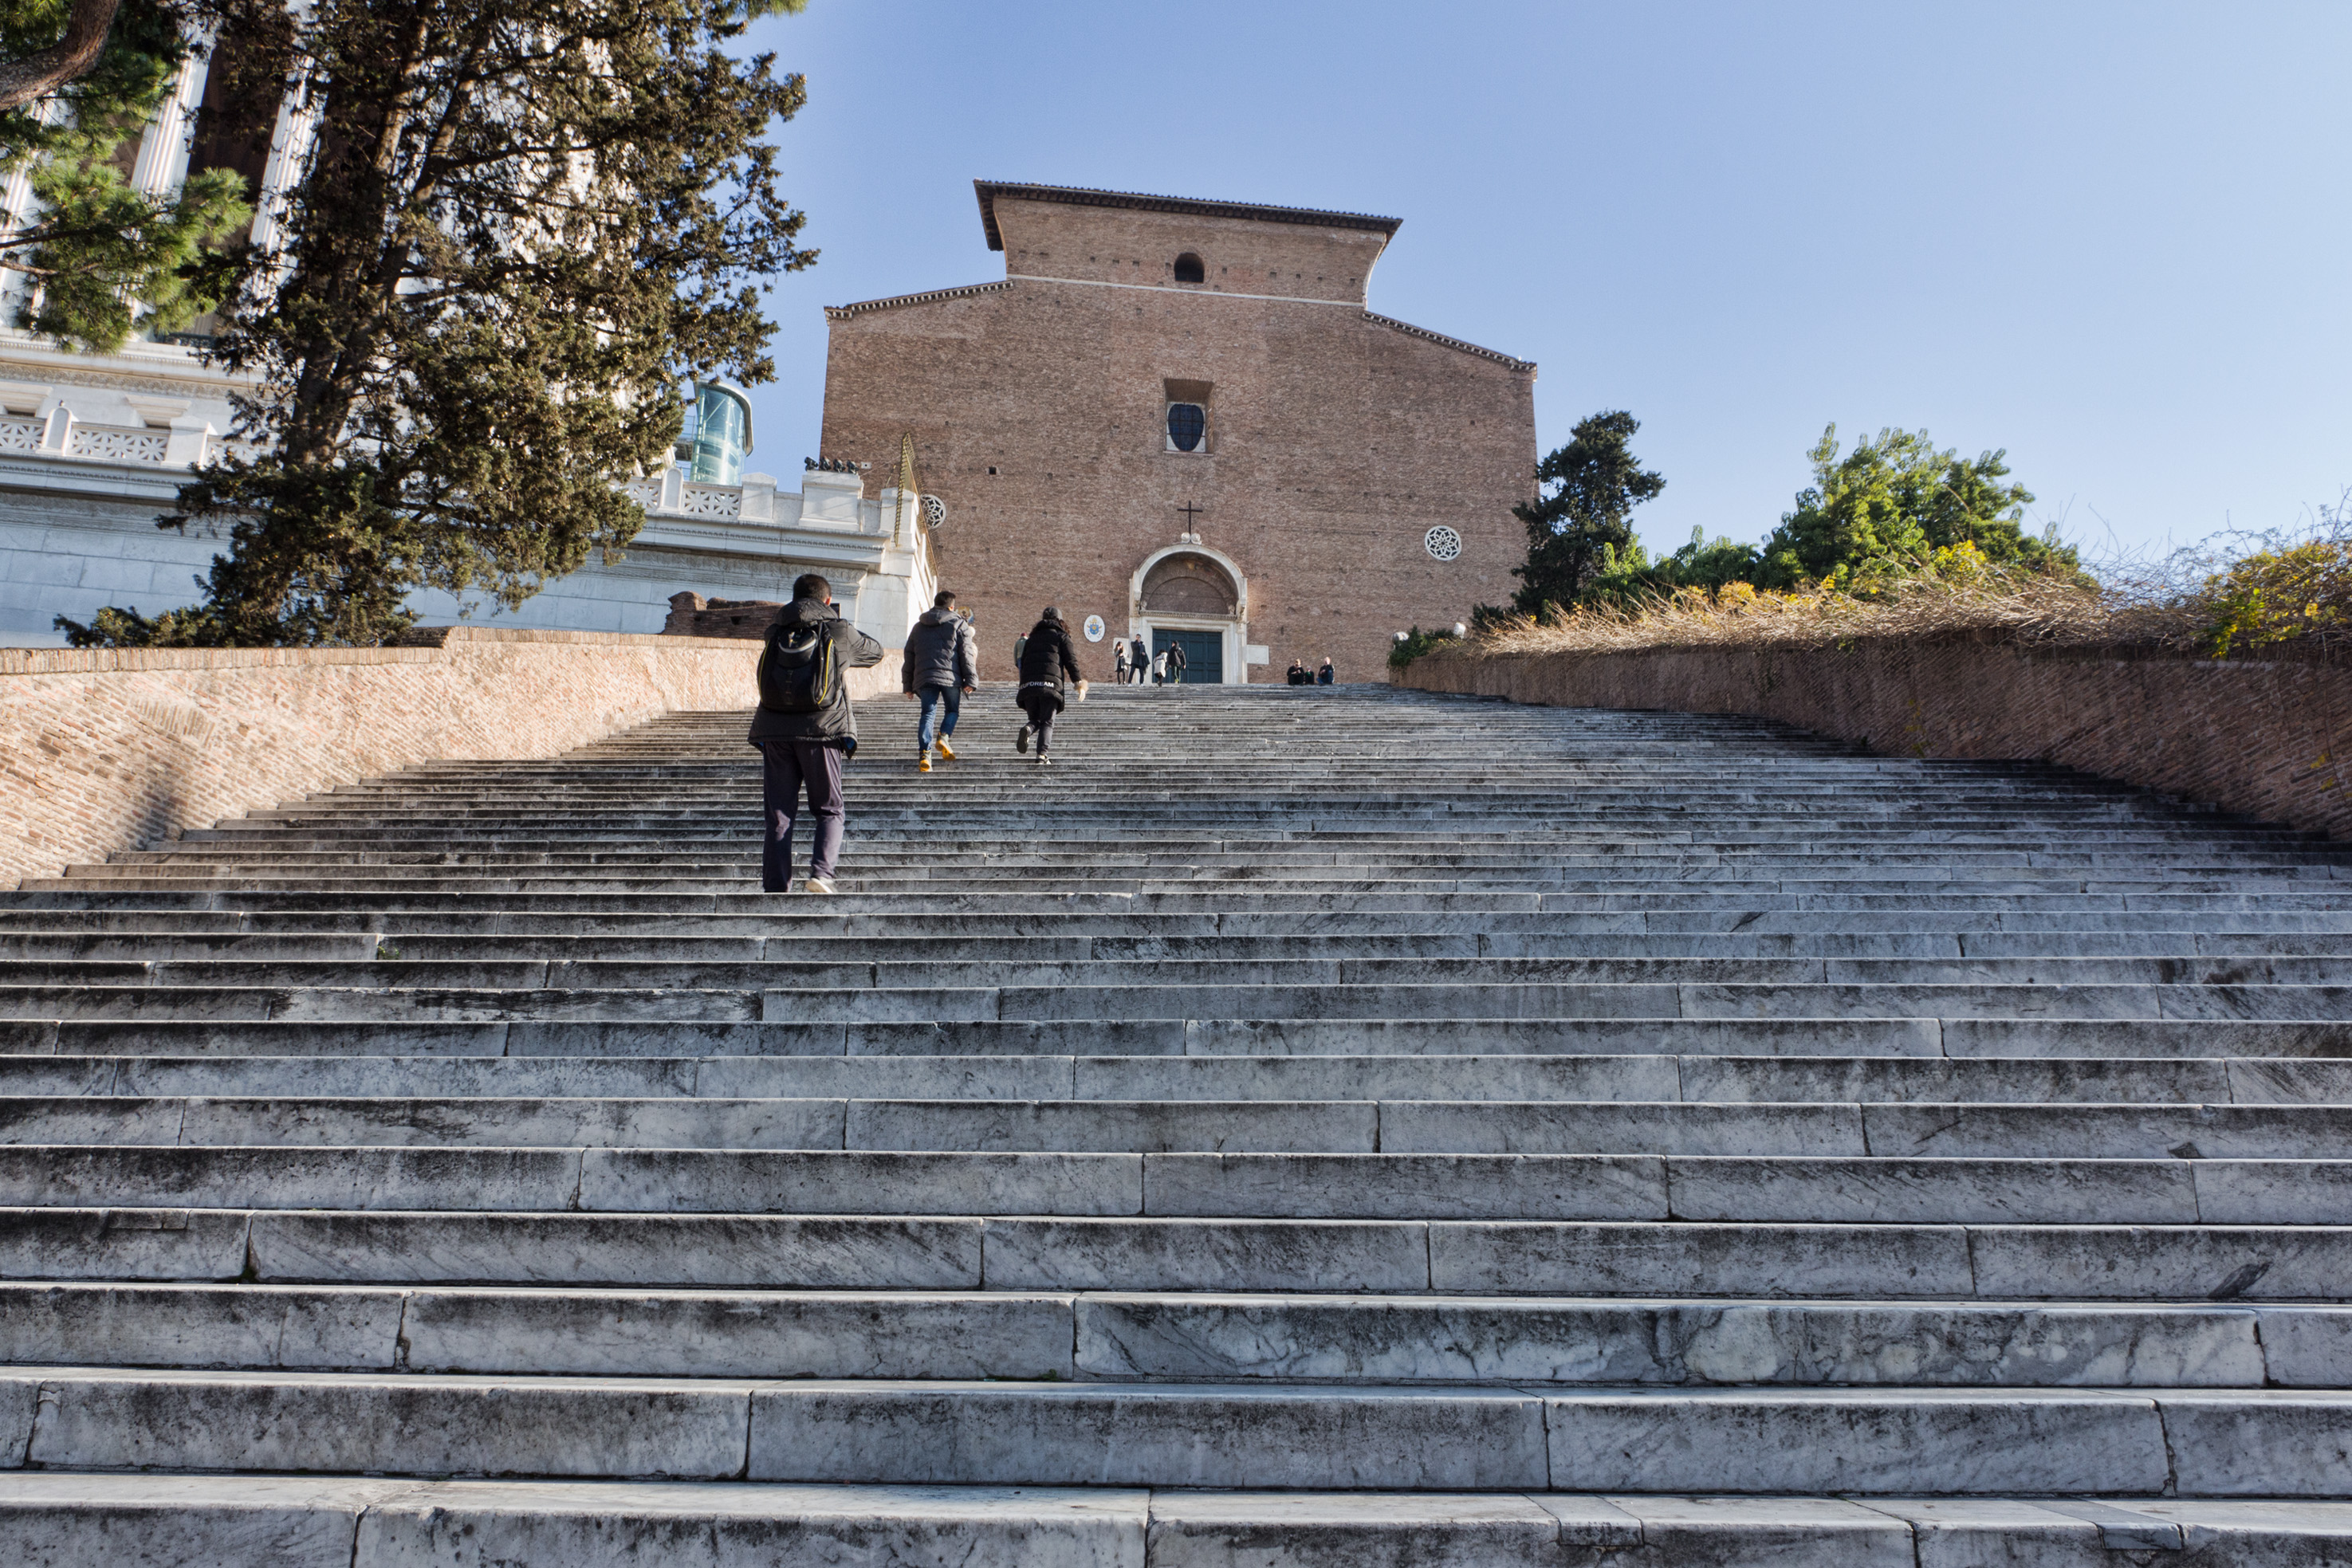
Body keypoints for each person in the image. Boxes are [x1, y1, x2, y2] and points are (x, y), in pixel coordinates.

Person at [748, 573, 884, 894]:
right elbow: (876, 652)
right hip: (821, 730)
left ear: (793, 598)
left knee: (779, 815)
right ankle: (822, 875)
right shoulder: (838, 631)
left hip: (775, 731)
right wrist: (841, 625)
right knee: (829, 808)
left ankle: (775, 887)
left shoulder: (775, 630)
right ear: (827, 600)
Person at [902, 588, 978, 773]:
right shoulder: (959, 624)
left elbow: (909, 655)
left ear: (935, 604)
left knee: (928, 713)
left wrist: (907, 684)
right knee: (952, 710)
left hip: (924, 677)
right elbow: (966, 654)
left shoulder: (919, 626)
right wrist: (971, 679)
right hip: (951, 678)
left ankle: (925, 755)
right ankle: (944, 736)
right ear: (952, 607)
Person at [1015, 606, 1086, 764]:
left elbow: (1022, 663)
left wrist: (1024, 684)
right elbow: (1071, 661)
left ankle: (1028, 728)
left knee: (1035, 719)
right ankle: (1041, 755)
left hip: (1029, 685)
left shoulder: (1031, 639)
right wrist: (1078, 683)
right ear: (1060, 620)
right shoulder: (1061, 636)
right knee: (1047, 721)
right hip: (1050, 684)